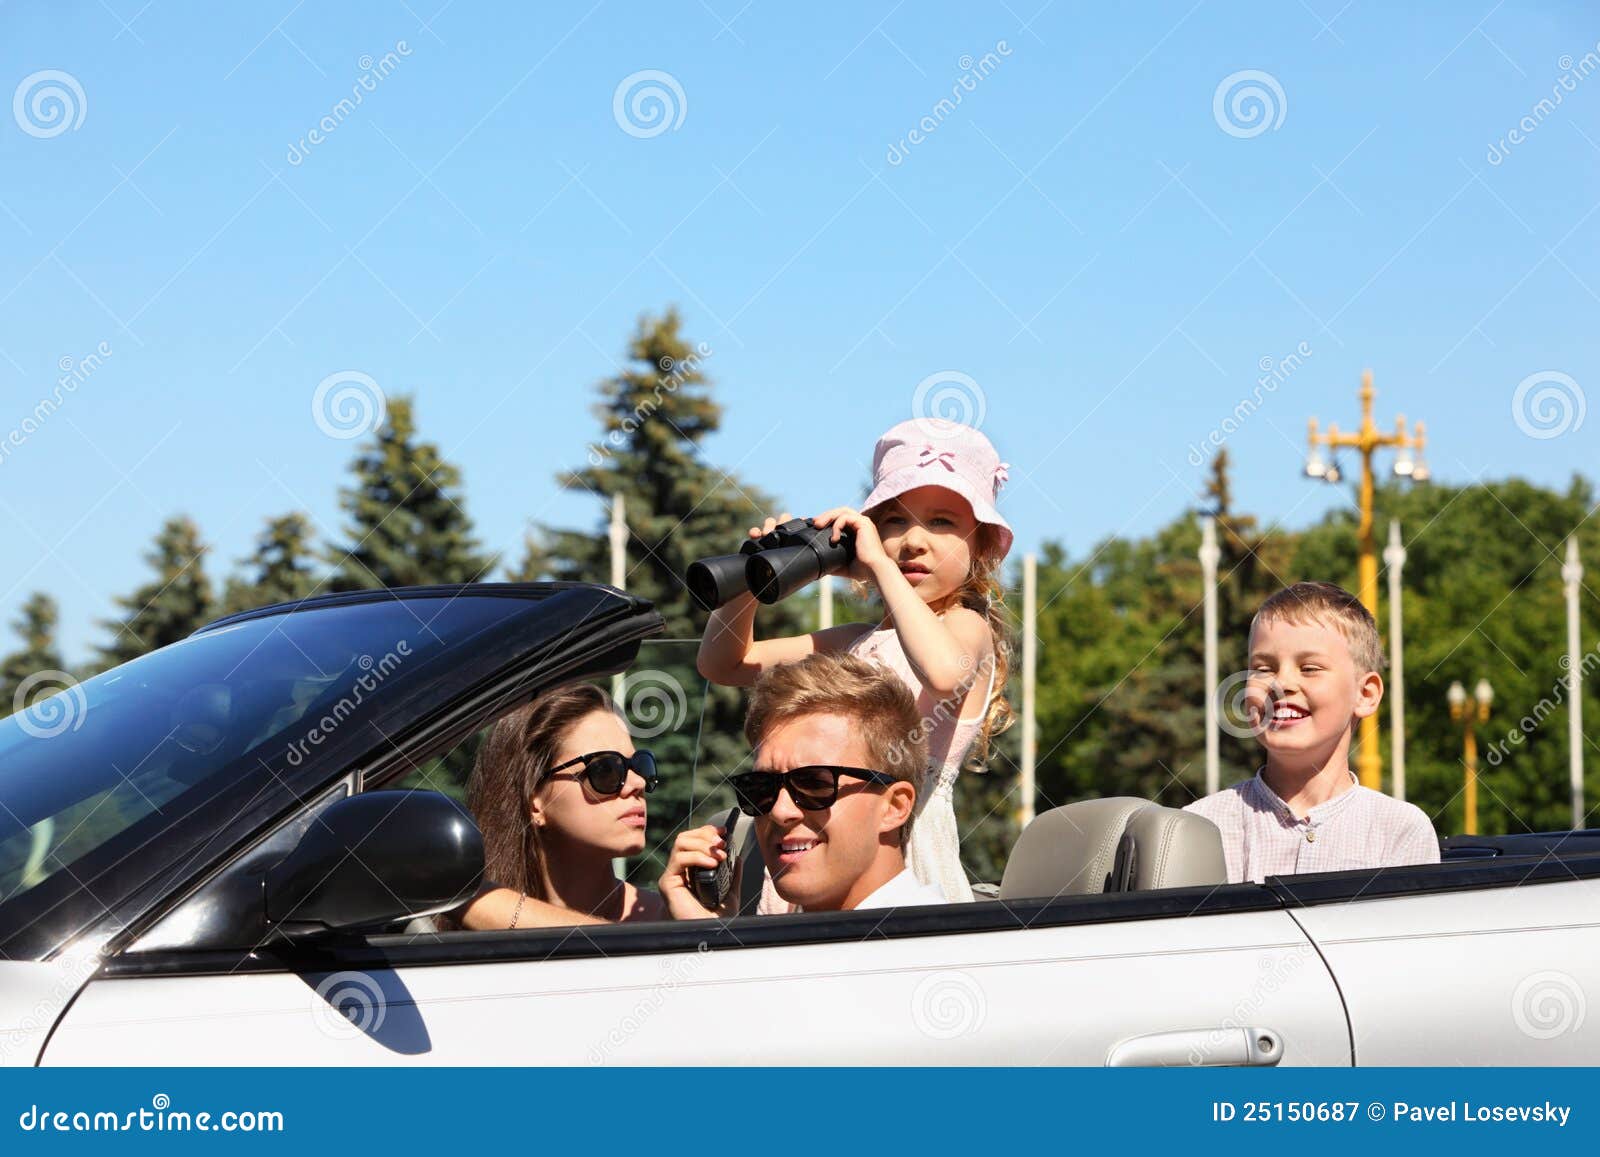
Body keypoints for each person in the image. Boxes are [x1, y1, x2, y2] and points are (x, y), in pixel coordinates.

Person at [696, 418, 1014, 907]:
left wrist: (880, 566)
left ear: (984, 547)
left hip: (901, 854)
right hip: (825, 842)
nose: (912, 541)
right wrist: (750, 582)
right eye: (893, 520)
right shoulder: (856, 641)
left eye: (942, 522)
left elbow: (944, 672)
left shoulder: (965, 625)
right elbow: (726, 663)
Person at [1184, 581, 1440, 883]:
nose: (1283, 684)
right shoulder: (1199, 827)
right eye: (1264, 669)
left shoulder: (1399, 831)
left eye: (1310, 668)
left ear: (1366, 694)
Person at [661, 652, 946, 918]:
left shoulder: (945, 951)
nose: (779, 811)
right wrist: (711, 938)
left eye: (814, 783)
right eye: (761, 787)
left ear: (894, 806)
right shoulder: (778, 951)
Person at [454, 683, 665, 929]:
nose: (638, 782)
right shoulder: (446, 930)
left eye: (640, 765)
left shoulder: (671, 920)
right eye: (606, 769)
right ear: (535, 801)